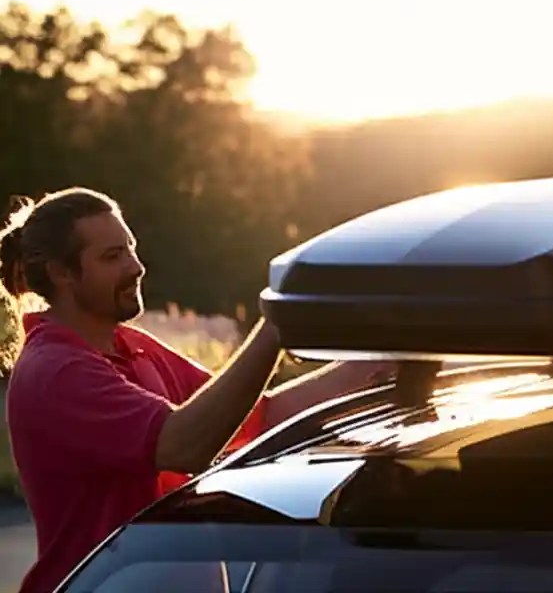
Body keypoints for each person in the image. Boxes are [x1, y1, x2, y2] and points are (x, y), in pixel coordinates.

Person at [0, 187, 393, 593]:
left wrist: (378, 363)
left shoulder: (132, 347)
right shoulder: (57, 371)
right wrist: (275, 325)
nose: (136, 267)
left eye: (130, 248)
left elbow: (257, 417)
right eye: (112, 257)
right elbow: (183, 445)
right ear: (61, 273)